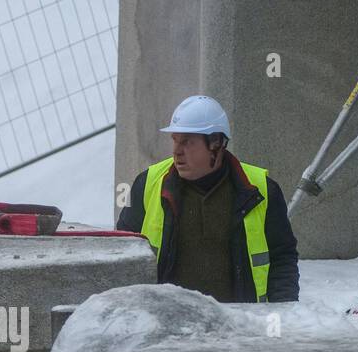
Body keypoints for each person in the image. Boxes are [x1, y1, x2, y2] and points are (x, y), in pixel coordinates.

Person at [117, 94, 299, 302]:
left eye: (187, 143)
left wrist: (282, 315)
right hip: (166, 324)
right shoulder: (148, 184)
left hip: (239, 325)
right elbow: (123, 256)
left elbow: (282, 259)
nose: (176, 152)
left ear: (216, 143)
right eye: (175, 140)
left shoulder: (261, 190)